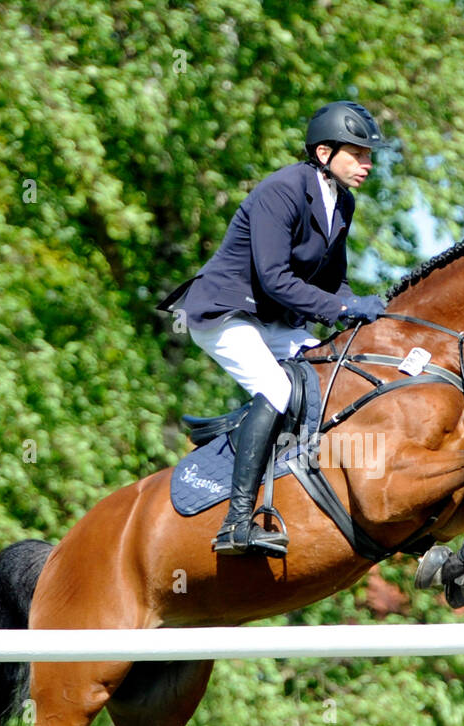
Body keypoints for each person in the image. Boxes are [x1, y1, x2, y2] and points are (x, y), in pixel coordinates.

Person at [159, 100, 388, 557]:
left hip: (274, 319)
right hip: (227, 312)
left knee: (334, 375)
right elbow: (274, 278)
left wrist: (354, 314)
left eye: (369, 156)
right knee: (279, 390)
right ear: (324, 153)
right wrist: (343, 308)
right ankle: (236, 523)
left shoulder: (342, 201)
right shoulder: (280, 190)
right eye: (358, 153)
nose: (366, 164)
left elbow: (332, 282)